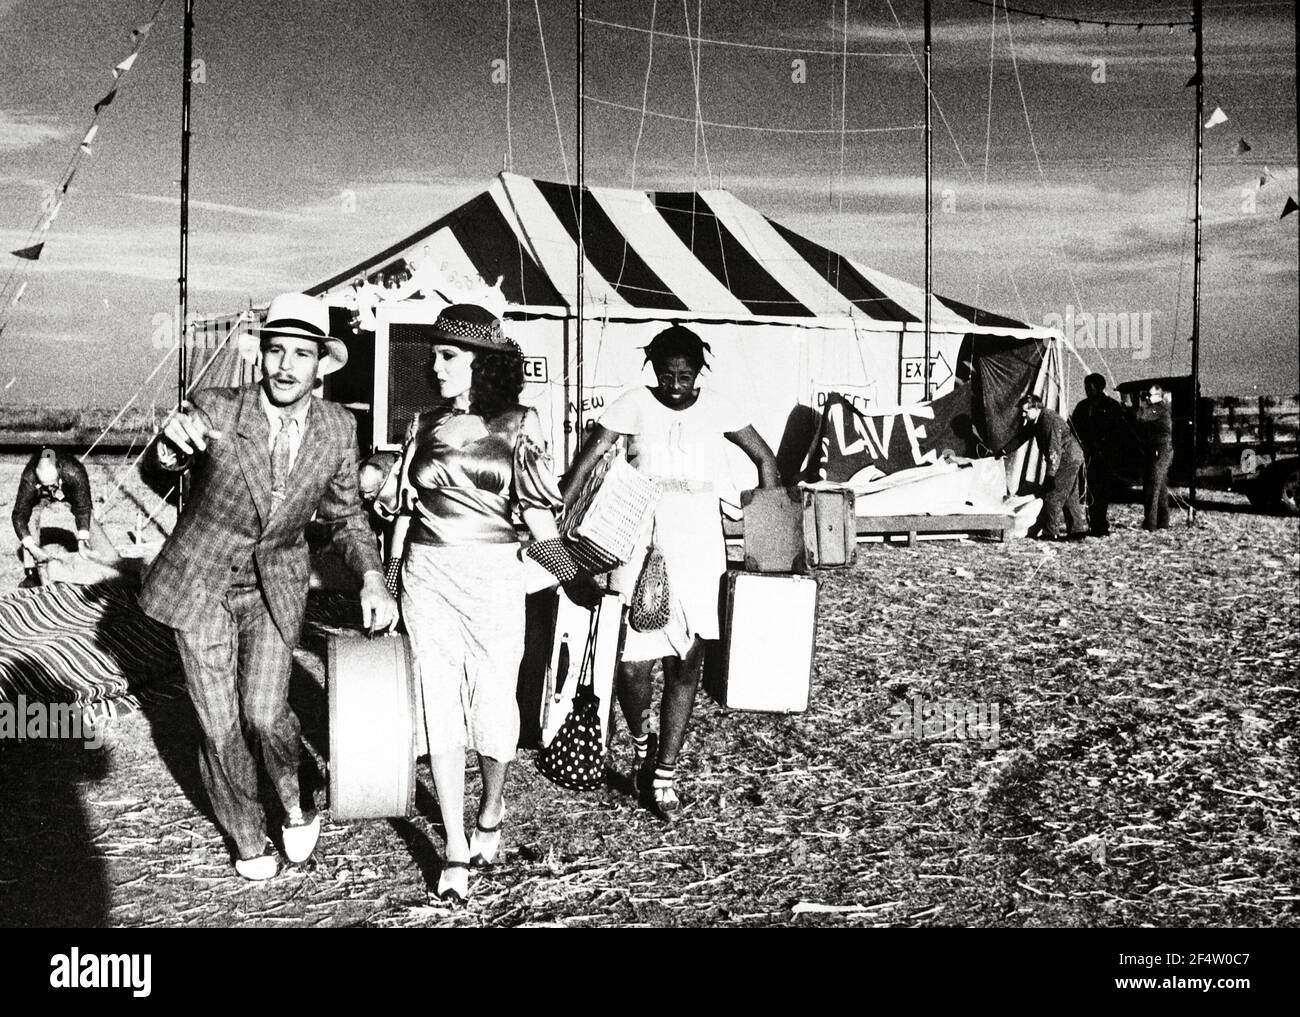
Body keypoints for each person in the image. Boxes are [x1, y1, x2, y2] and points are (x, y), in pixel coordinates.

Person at [137, 292, 399, 881]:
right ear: (261, 356)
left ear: (321, 364)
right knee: (218, 723)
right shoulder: (218, 408)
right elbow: (159, 473)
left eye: (300, 354)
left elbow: (346, 517)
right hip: (199, 582)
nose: (285, 365)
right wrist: (168, 452)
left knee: (263, 714)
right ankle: (248, 836)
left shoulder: (337, 428)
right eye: (276, 350)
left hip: (274, 586)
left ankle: (293, 797)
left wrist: (373, 579)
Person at [379, 303, 598, 904]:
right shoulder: (420, 424)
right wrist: (392, 579)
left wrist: (571, 574)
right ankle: (453, 844)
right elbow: (403, 513)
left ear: (482, 363)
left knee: (495, 700)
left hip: (496, 576)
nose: (435, 364)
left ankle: (491, 809)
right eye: (435, 354)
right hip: (428, 575)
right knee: (436, 699)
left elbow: (537, 516)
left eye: (448, 355)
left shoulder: (518, 423)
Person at [563, 324, 780, 821]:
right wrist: (557, 515)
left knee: (686, 657)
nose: (676, 384)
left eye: (685, 374)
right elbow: (590, 456)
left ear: (699, 371)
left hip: (699, 543)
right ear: (653, 370)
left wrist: (765, 533)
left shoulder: (720, 405)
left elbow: (765, 460)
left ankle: (664, 772)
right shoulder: (633, 403)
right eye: (667, 374)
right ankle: (642, 745)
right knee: (631, 662)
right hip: (637, 536)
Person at [12, 448, 118, 587]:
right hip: (39, 494)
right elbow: (19, 515)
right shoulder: (29, 478)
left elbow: (83, 507)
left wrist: (82, 539)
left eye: (52, 483)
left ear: (59, 469)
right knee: (31, 516)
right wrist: (31, 547)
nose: (50, 488)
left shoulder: (74, 472)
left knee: (88, 519)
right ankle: (32, 574)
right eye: (46, 485)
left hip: (66, 490)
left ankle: (109, 557)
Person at [1019, 394, 1088, 541]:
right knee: (1069, 496)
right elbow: (1021, 436)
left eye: (1025, 411)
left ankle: (1050, 532)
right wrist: (1003, 451)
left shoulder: (1048, 421)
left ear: (1036, 408)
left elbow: (1053, 449)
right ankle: (1077, 531)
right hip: (1072, 457)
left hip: (1067, 459)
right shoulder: (1036, 421)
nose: (1022, 415)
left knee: (1053, 496)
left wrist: (1051, 475)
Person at [1070, 373, 1128, 536]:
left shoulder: (1111, 406)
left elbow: (1119, 432)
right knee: (1090, 491)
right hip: (1088, 455)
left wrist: (1104, 446)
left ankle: (1100, 525)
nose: (1087, 390)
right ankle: (1094, 524)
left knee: (1102, 491)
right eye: (1086, 387)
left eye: (1090, 387)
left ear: (1099, 387)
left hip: (1106, 456)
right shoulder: (1083, 406)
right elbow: (1074, 428)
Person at [1134, 382, 1174, 530]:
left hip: (1160, 451)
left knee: (1152, 487)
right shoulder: (1158, 409)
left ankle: (1151, 522)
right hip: (1160, 450)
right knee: (1160, 487)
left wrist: (1143, 403)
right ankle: (1163, 521)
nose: (1148, 397)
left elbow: (1140, 416)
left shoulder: (1158, 409)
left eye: (1150, 395)